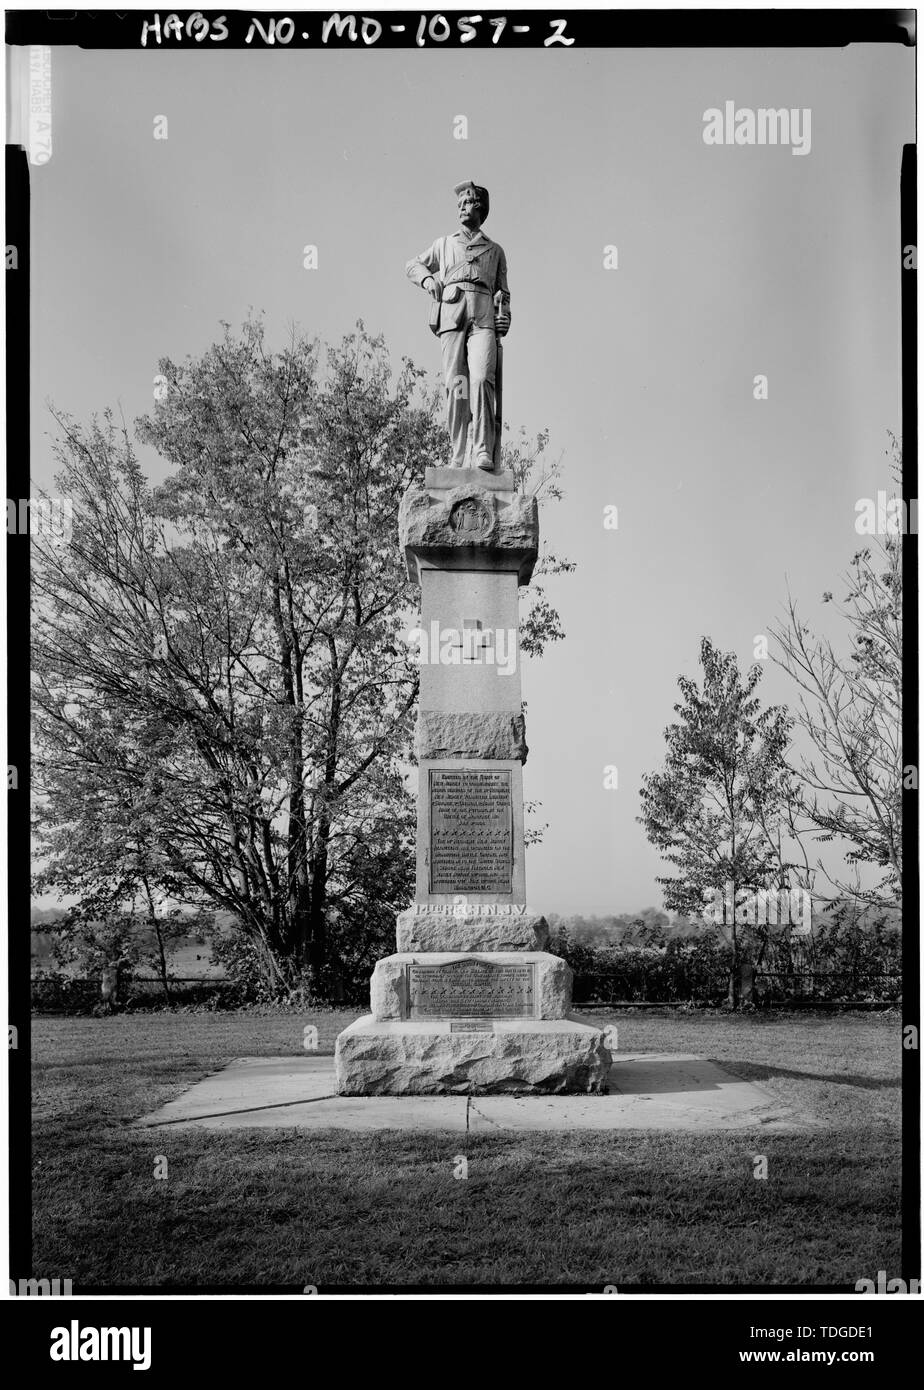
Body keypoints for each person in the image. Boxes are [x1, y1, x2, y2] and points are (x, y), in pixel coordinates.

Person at [406, 181, 511, 470]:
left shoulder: (495, 250)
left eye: (468, 202)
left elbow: (504, 294)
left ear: (481, 207)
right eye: (460, 204)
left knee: (481, 379)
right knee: (457, 385)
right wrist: (428, 279)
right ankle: (457, 453)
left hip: (484, 316)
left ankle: (481, 451)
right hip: (452, 312)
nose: (462, 207)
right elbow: (413, 265)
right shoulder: (444, 244)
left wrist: (505, 317)